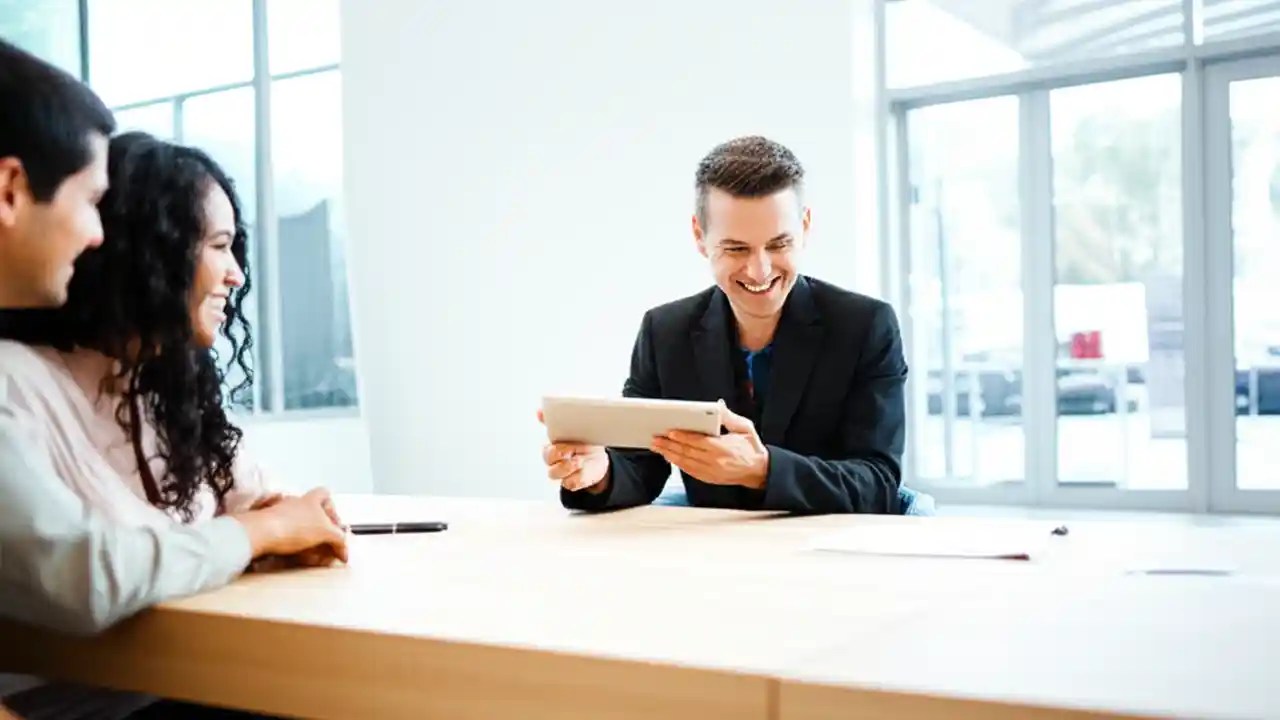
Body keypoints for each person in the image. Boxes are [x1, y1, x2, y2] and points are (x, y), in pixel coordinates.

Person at [0, 39, 343, 718]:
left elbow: (256, 506)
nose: (97, 234)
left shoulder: (165, 393)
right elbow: (91, 574)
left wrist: (277, 526)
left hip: (173, 684)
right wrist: (260, 536)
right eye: (219, 247)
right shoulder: (20, 382)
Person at [541, 135, 909, 515]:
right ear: (700, 237)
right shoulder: (665, 332)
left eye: (779, 244)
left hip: (831, 555)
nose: (760, 270)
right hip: (712, 557)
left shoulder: (865, 327)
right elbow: (641, 467)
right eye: (736, 249)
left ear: (806, 226)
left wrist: (762, 470)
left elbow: (877, 483)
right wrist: (599, 472)